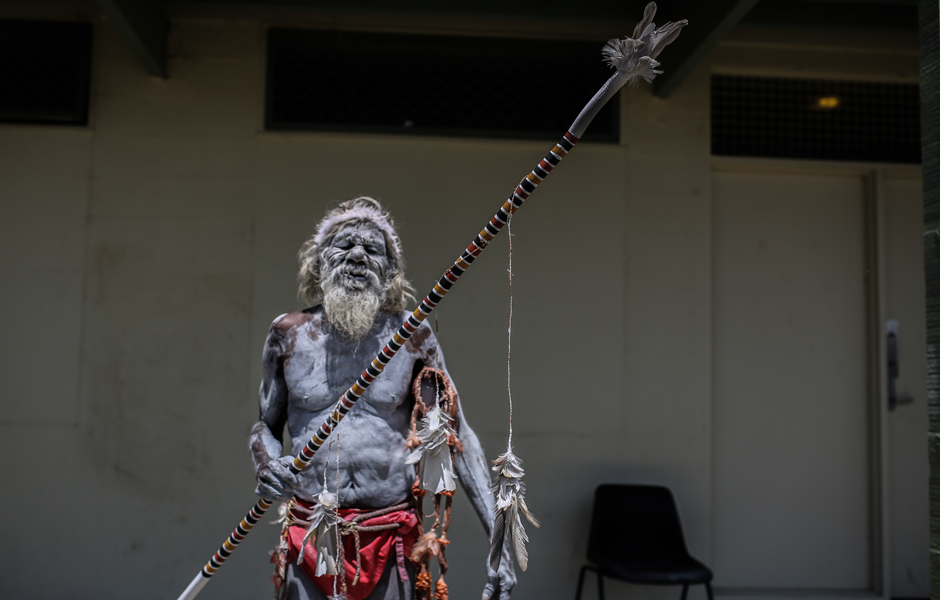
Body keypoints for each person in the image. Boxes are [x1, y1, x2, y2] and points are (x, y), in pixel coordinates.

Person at [249, 197, 514, 600]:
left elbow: (455, 437)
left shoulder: (412, 335)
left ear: (390, 270)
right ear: (320, 262)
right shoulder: (289, 334)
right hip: (312, 531)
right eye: (343, 245)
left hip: (389, 534)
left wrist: (499, 548)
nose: (357, 255)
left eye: (372, 249)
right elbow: (266, 426)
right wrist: (267, 466)